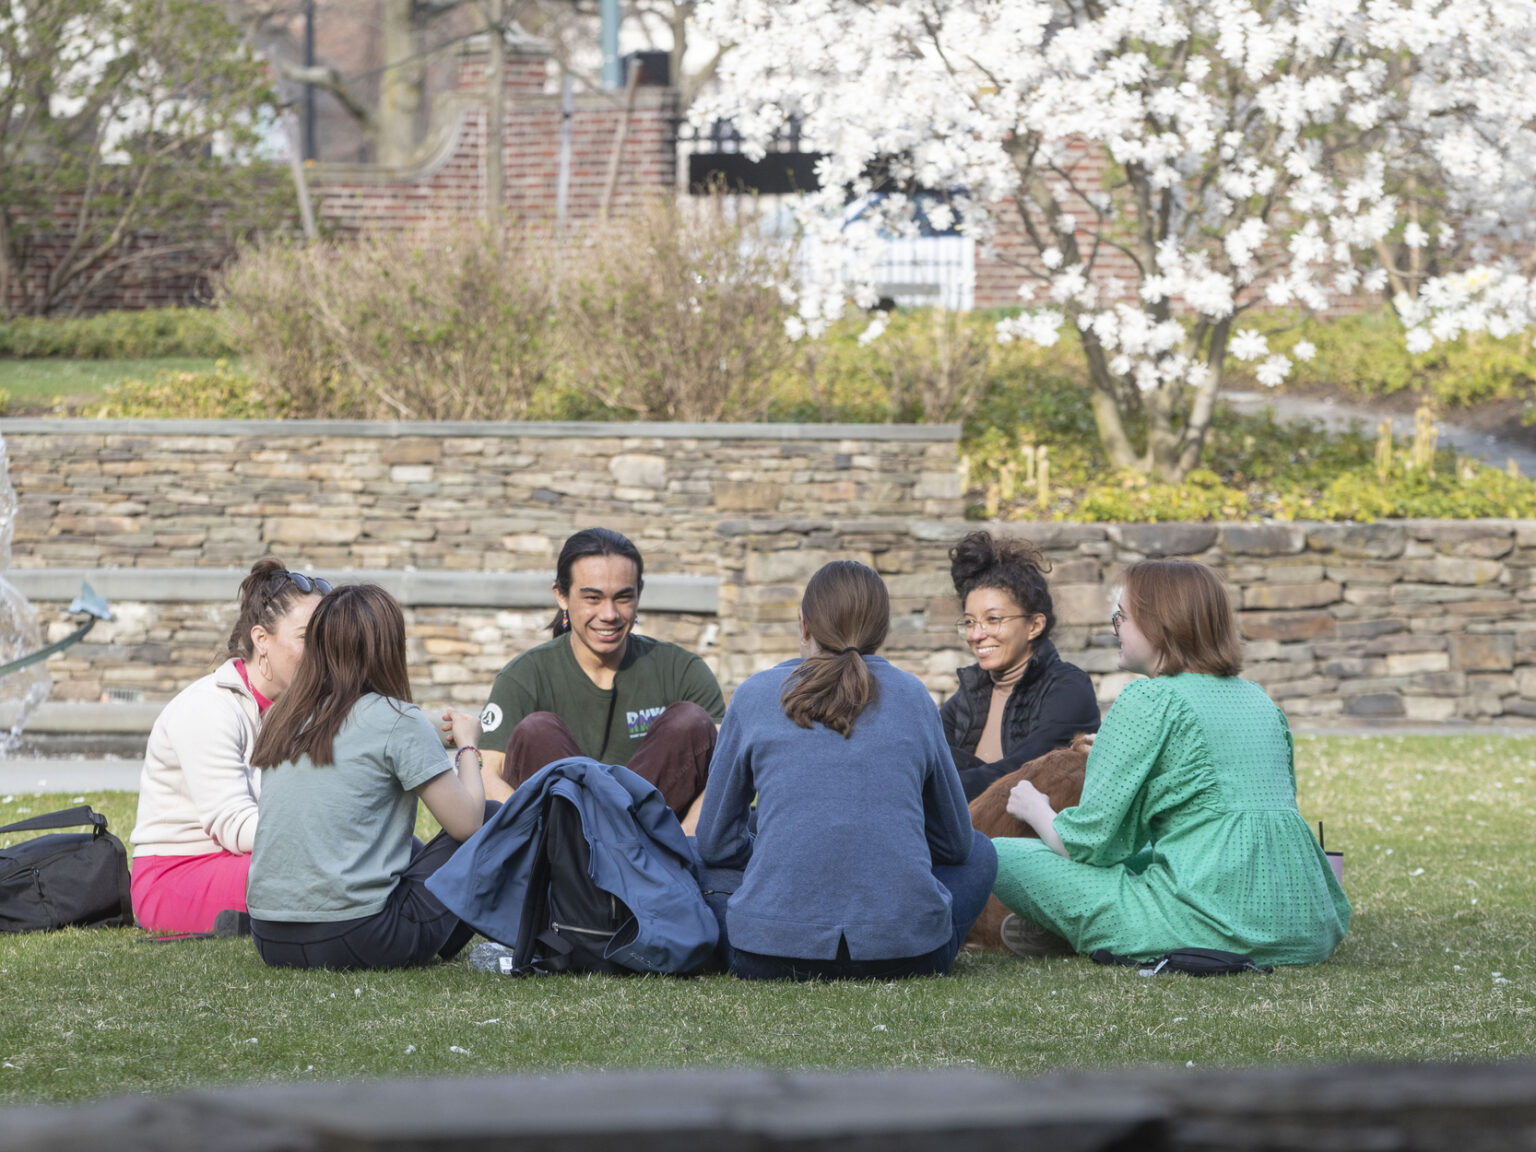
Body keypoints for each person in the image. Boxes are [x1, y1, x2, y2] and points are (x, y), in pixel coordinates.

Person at [993, 559, 1351, 966]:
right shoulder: (1259, 699)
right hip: (1309, 927)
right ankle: (1066, 928)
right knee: (1143, 852)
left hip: (1219, 925)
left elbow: (1087, 844)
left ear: (1160, 623)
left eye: (1122, 616)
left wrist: (1036, 808)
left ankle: (1077, 928)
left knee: (1000, 855)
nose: (1116, 629)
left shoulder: (1150, 699)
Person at [694, 560, 998, 981]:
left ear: (804, 625)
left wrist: (776, 850)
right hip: (907, 956)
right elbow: (956, 844)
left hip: (768, 955)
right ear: (883, 631)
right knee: (982, 852)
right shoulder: (913, 696)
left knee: (697, 852)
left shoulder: (755, 695)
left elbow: (714, 844)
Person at [245, 584, 490, 970]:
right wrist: (468, 747)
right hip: (357, 935)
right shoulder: (396, 719)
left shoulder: (282, 715)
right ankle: (459, 934)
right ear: (390, 647)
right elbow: (468, 825)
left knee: (399, 839)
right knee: (490, 814)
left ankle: (448, 930)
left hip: (270, 937)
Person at [129, 559, 329, 934]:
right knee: (328, 869)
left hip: (256, 857)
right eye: (307, 637)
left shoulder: (304, 709)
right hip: (177, 874)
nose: (323, 649)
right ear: (261, 639)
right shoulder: (207, 707)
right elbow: (232, 823)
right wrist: (325, 834)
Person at [476, 527, 725, 826]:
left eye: (622, 598)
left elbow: (725, 774)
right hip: (562, 851)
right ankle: (602, 849)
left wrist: (686, 842)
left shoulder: (682, 671)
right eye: (593, 598)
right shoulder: (523, 677)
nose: (609, 614)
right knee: (537, 731)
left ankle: (621, 851)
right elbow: (489, 777)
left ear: (638, 596)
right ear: (561, 596)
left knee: (691, 722)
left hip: (658, 853)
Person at [941, 530, 1101, 801]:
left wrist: (930, 789)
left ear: (1034, 625)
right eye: (969, 622)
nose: (976, 635)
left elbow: (1022, 775)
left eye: (993, 619)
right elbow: (921, 754)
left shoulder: (1068, 689)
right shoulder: (969, 696)